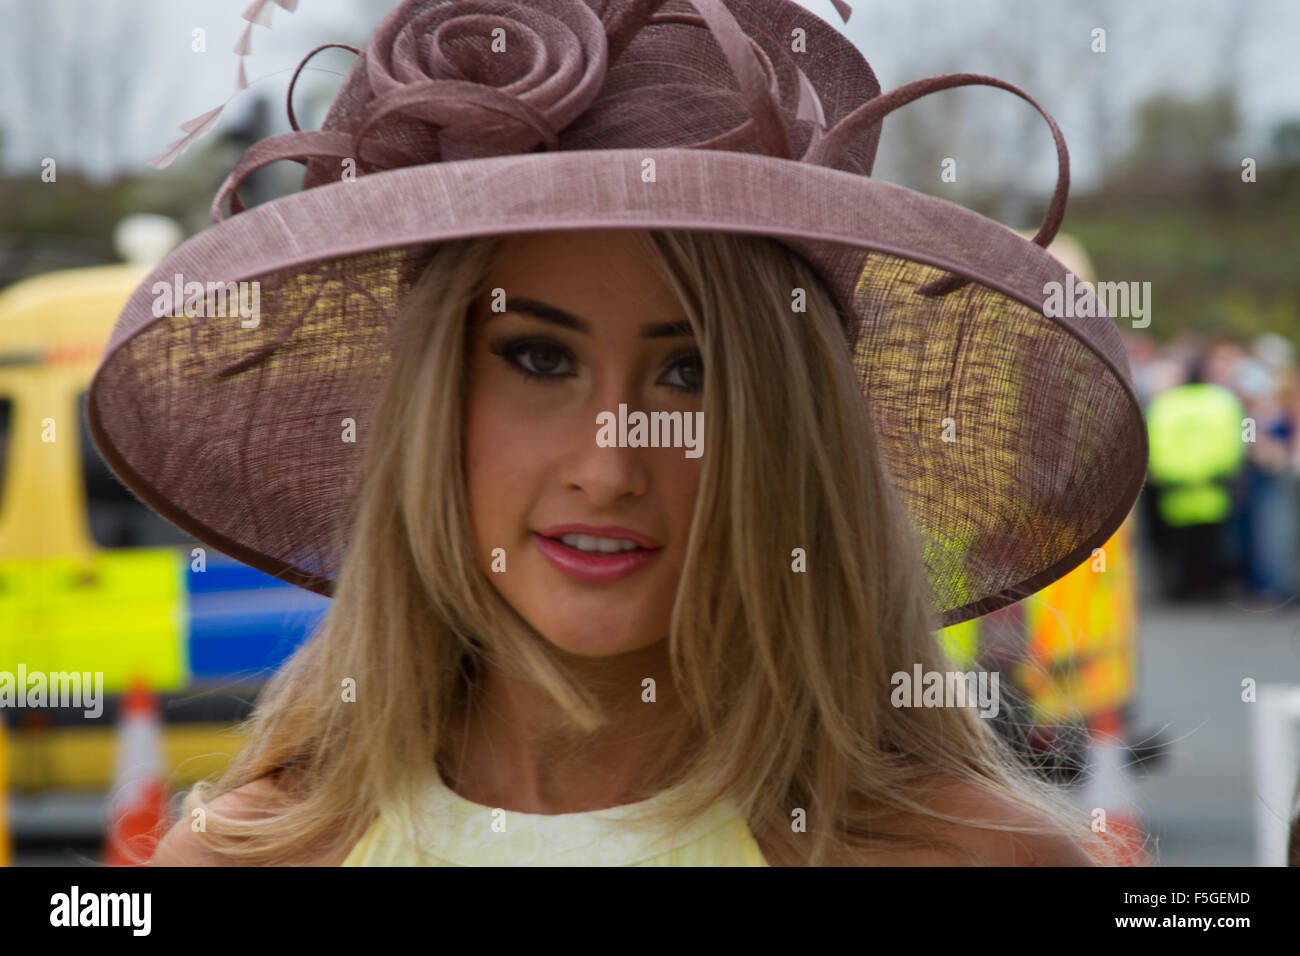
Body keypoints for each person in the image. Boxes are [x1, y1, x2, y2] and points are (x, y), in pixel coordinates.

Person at [87, 0, 1147, 866]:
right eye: (538, 357)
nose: (608, 463)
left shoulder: (967, 858)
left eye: (691, 372)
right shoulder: (250, 857)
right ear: (431, 407)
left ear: (788, 430)